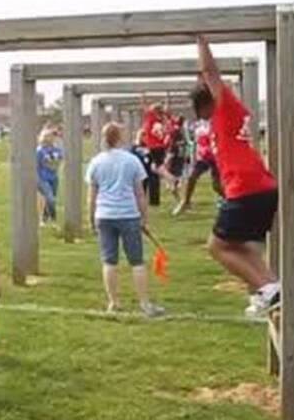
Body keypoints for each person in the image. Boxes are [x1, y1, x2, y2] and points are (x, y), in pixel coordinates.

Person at [190, 35, 281, 319]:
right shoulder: (224, 116)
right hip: (259, 188)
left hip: (247, 188)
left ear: (208, 104)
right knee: (240, 245)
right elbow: (203, 78)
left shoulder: (225, 107)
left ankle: (266, 289)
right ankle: (272, 289)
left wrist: (200, 39)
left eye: (200, 112)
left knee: (216, 247)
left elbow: (210, 73)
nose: (202, 119)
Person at [86, 122, 166, 317]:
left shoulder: (96, 162)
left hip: (104, 216)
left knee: (109, 261)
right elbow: (140, 193)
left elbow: (91, 196)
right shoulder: (132, 161)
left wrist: (90, 219)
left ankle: (113, 302)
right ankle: (145, 304)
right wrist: (144, 218)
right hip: (128, 215)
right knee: (136, 262)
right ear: (120, 138)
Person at [173, 119, 221, 215]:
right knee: (192, 177)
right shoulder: (197, 124)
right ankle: (185, 202)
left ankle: (231, 198)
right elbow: (195, 141)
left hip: (215, 156)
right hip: (202, 157)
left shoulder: (216, 121)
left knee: (216, 186)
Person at [139, 97, 170, 206]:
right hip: (161, 146)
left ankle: (171, 179)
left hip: (154, 146)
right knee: (154, 167)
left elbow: (145, 108)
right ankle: (168, 179)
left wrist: (142, 97)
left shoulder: (151, 118)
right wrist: (166, 101)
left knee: (157, 167)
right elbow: (165, 110)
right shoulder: (161, 119)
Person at [35, 128, 63, 224]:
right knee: (50, 198)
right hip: (42, 178)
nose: (50, 138)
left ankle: (44, 218)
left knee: (50, 199)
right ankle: (54, 218)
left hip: (54, 178)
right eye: (47, 136)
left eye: (51, 136)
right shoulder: (39, 151)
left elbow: (60, 158)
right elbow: (36, 165)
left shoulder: (57, 149)